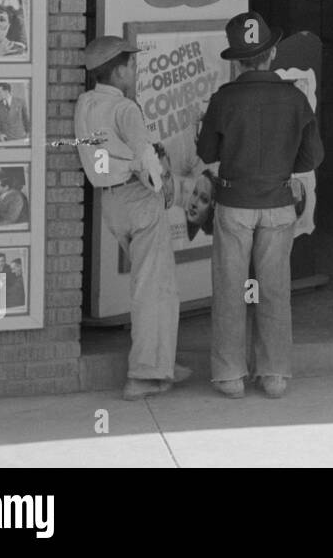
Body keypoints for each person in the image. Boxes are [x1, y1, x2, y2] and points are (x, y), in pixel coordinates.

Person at [197, 12, 323, 400]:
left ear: (236, 60)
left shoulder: (224, 98)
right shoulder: (294, 97)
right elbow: (312, 157)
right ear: (270, 55)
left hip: (234, 202)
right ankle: (274, 375)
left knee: (231, 288)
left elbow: (206, 152)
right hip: (278, 203)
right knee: (274, 289)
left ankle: (230, 376)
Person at [75, 35, 189, 401]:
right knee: (154, 290)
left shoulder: (85, 103)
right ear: (120, 70)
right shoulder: (126, 108)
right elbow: (146, 161)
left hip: (111, 203)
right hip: (139, 198)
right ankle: (146, 374)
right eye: (132, 65)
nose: (135, 70)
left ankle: (160, 363)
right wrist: (162, 182)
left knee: (146, 286)